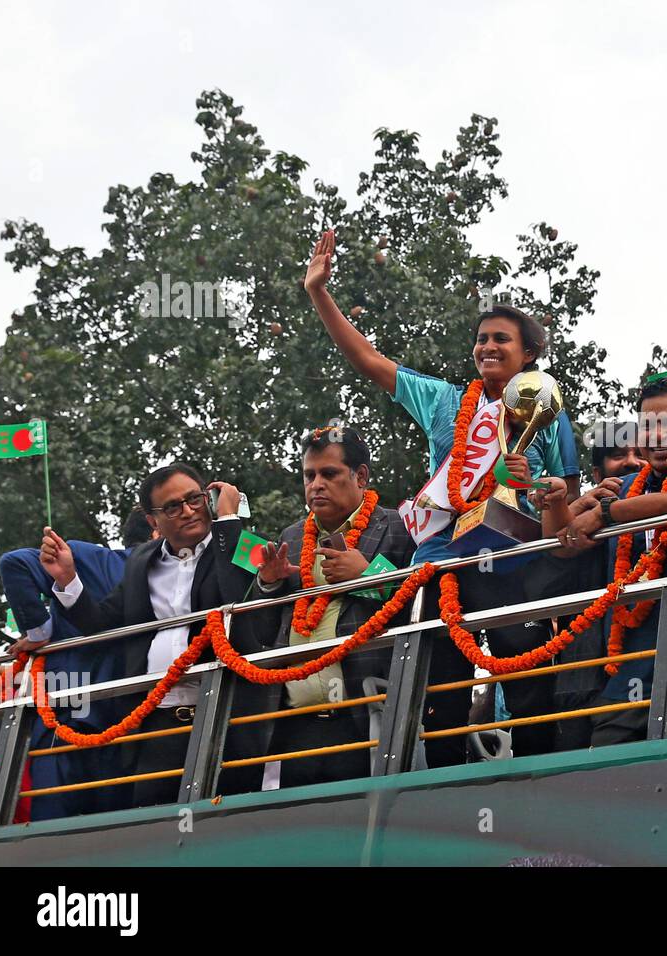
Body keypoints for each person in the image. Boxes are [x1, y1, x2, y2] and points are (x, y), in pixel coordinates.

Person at [303, 229, 576, 764]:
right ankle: (444, 799)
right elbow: (369, 361)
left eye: (502, 339)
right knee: (439, 698)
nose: (488, 347)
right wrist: (319, 294)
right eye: (482, 339)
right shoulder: (444, 400)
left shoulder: (548, 410)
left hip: (511, 559)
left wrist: (538, 487)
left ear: (530, 355)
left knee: (527, 686)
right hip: (438, 562)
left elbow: (566, 498)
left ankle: (542, 789)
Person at [40, 464, 261, 807]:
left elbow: (241, 611)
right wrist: (68, 580)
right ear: (152, 521)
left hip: (226, 718)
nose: (188, 511)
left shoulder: (245, 545)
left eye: (195, 499)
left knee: (226, 830)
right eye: (173, 507)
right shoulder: (141, 561)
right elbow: (103, 626)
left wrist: (229, 523)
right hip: (156, 724)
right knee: (155, 827)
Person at [545, 378, 667, 745]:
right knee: (610, 785)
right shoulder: (621, 489)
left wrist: (608, 513)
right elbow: (562, 546)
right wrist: (555, 504)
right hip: (626, 677)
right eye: (648, 425)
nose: (658, 436)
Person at [239, 426, 415, 788]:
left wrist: (368, 575)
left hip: (367, 713)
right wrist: (268, 584)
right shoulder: (291, 537)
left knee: (366, 831)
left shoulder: (399, 527)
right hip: (293, 723)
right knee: (302, 831)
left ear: (361, 476)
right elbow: (258, 629)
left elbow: (425, 604)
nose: (316, 484)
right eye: (309, 475)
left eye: (329, 474)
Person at [0, 508, 154, 818]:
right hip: (130, 722)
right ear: (155, 531)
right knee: (122, 832)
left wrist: (39, 631)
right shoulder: (161, 568)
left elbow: (13, 563)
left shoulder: (85, 556)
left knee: (52, 834)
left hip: (65, 708)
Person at [521, 423, 642, 751]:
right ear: (596, 471)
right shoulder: (583, 518)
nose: (632, 462)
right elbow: (543, 583)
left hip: (649, 672)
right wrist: (580, 511)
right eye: (619, 455)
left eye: (640, 454)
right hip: (581, 680)